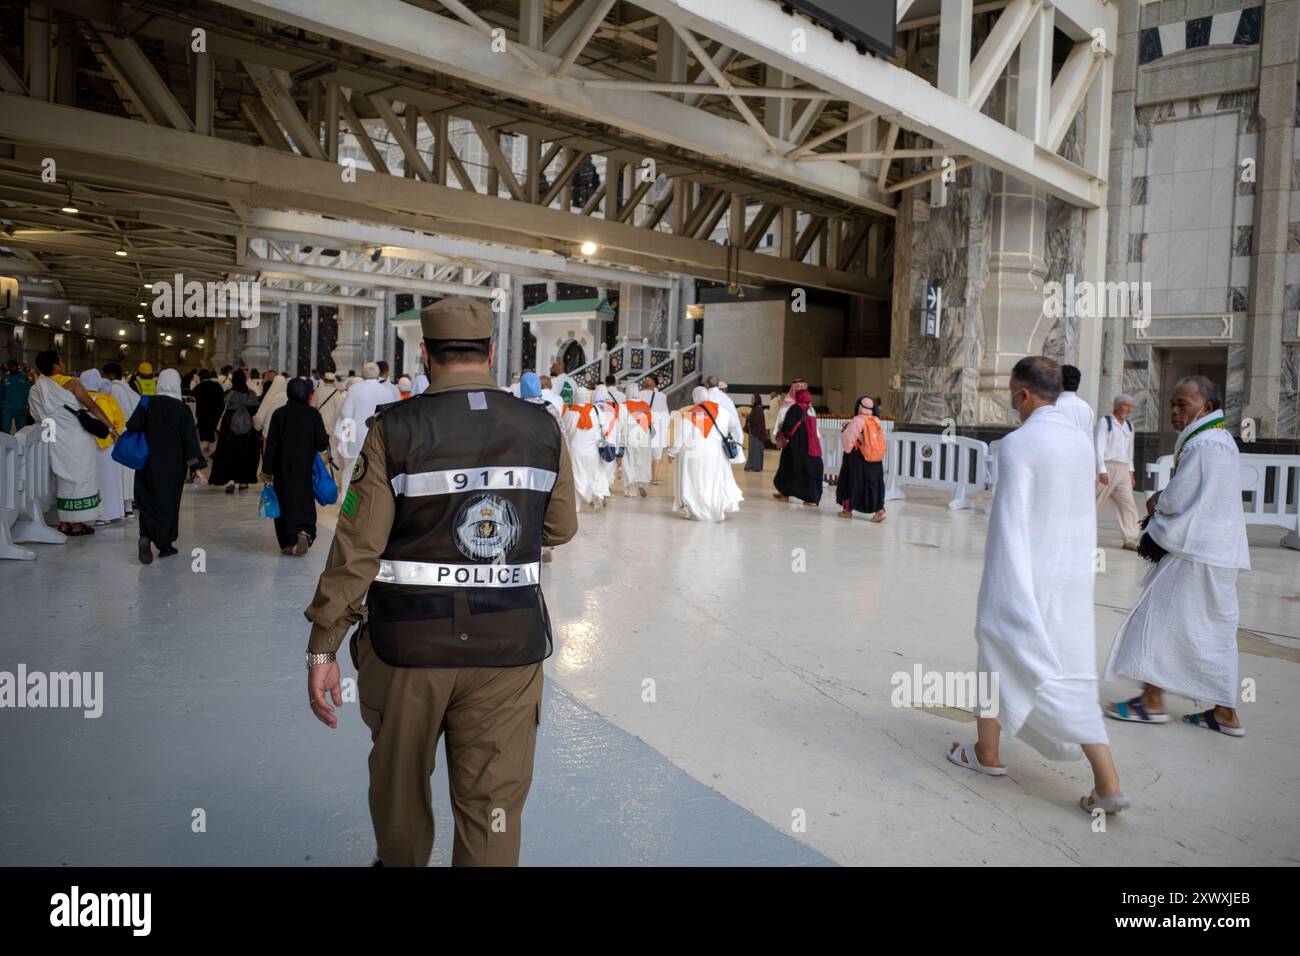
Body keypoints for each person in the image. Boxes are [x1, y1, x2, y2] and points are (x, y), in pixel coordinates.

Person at [304, 297, 577, 867]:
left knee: (401, 789)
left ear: (425, 354)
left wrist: (323, 645)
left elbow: (357, 550)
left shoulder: (393, 430)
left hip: (408, 649)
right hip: (508, 647)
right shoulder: (541, 427)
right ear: (492, 352)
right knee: (493, 802)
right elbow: (561, 527)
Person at [947, 356, 1128, 815]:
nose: (1012, 402)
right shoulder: (1078, 441)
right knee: (1069, 670)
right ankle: (1102, 780)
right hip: (1070, 578)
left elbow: (1008, 526)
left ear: (1023, 395)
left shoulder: (1018, 445)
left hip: (1027, 574)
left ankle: (990, 755)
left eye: (1012, 394)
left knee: (998, 652)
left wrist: (999, 594)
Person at [1104, 376, 1250, 737]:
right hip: (1218, 553)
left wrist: (1159, 501)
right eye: (1173, 403)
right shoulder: (1221, 442)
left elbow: (1179, 498)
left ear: (1207, 408)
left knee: (1158, 618)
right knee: (1213, 630)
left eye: (1183, 403)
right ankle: (1224, 712)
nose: (1174, 410)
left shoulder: (1203, 447)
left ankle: (1151, 702)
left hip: (1196, 553)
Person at [28, 351, 114, 535]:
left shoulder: (36, 388)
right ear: (56, 365)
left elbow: (35, 415)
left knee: (63, 479)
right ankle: (77, 524)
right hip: (77, 439)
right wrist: (111, 429)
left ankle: (64, 523)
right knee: (81, 479)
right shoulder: (72, 383)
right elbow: (92, 406)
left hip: (54, 439)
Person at [126, 369, 205, 564]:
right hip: (172, 466)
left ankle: (145, 535)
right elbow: (190, 441)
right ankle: (165, 545)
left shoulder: (147, 402)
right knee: (168, 504)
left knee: (147, 500)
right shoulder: (182, 409)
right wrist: (196, 467)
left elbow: (133, 425)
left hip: (146, 462)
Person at [261, 378, 330, 556]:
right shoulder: (313, 414)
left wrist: (267, 470)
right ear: (307, 394)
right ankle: (304, 532)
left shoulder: (279, 414)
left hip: (282, 467)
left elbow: (272, 445)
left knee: (284, 500)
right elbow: (322, 443)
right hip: (305, 467)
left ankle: (286, 542)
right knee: (304, 499)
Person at [668, 385, 744, 522]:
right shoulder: (721, 410)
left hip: (694, 455)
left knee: (697, 482)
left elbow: (681, 436)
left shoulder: (692, 413)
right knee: (714, 482)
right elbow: (733, 425)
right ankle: (716, 511)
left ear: (695, 398)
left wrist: (672, 452)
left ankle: (698, 511)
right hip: (717, 454)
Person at [336, 362, 396, 497]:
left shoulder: (355, 389)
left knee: (351, 469)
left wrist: (346, 439)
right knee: (377, 470)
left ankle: (346, 503)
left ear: (363, 373)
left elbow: (346, 414)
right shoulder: (387, 391)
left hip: (356, 436)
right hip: (380, 436)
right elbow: (392, 416)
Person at [78, 369, 128, 524]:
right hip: (108, 447)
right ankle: (110, 513)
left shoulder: (77, 399)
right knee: (110, 481)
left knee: (94, 481)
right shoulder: (108, 400)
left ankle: (96, 515)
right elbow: (120, 422)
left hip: (87, 447)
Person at [1095, 392, 1140, 551]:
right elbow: (1098, 446)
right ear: (1116, 405)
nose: (1129, 409)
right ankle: (1078, 533)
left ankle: (1131, 538)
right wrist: (1101, 470)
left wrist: (1131, 472)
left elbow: (1130, 450)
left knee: (1128, 504)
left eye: (1130, 406)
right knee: (1094, 502)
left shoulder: (1129, 425)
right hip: (1107, 466)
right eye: (1126, 405)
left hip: (1123, 469)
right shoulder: (1105, 422)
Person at [835, 395, 886, 522]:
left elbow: (849, 441)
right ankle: (879, 510)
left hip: (857, 457)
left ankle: (847, 510)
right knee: (873, 484)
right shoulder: (876, 420)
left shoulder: (858, 420)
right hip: (874, 459)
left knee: (851, 481)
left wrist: (845, 429)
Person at [209, 370, 261, 493]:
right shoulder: (252, 394)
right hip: (248, 433)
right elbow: (255, 412)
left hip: (230, 431)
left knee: (229, 456)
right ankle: (243, 481)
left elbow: (220, 409)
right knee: (245, 457)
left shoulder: (229, 394)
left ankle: (230, 481)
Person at [562, 386, 611, 511]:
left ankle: (577, 507)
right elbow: (605, 428)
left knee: (577, 477)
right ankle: (596, 495)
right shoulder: (596, 411)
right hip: (593, 451)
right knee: (593, 475)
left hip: (575, 451)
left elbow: (564, 432)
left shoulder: (569, 412)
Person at [772, 388, 823, 507]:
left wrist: (782, 431)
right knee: (808, 468)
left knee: (788, 465)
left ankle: (785, 492)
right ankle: (812, 498)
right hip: (811, 443)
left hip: (796, 443)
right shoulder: (811, 409)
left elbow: (788, 425)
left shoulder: (796, 408)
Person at [102, 363, 139, 515]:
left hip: (120, 433)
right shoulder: (128, 388)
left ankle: (124, 504)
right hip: (131, 433)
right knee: (129, 472)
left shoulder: (114, 389)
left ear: (109, 374)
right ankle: (129, 503)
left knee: (121, 473)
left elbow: (114, 413)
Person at [1055, 365, 1098, 470]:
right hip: (1081, 462)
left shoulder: (1054, 406)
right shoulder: (1087, 408)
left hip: (1059, 461)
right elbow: (1090, 439)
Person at [621, 383, 653, 498]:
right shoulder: (645, 405)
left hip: (630, 434)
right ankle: (642, 482)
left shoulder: (624, 405)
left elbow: (621, 422)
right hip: (644, 433)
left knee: (629, 460)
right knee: (643, 459)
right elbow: (650, 421)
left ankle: (630, 490)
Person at [312, 371, 347, 472]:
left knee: (319, 451)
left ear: (324, 379)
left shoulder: (318, 391)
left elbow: (313, 408)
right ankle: (331, 474)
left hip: (319, 425)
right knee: (332, 451)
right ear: (333, 381)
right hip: (333, 426)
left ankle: (320, 473)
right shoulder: (337, 394)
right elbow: (340, 411)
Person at [640, 374, 670, 484]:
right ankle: (654, 477)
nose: (646, 381)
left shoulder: (640, 395)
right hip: (655, 426)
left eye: (648, 379)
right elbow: (665, 413)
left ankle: (648, 477)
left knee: (646, 452)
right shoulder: (661, 396)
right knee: (655, 452)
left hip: (646, 425)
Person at [192, 369, 225, 458]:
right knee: (211, 437)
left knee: (202, 440)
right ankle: (210, 453)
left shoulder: (199, 387)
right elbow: (222, 404)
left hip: (202, 420)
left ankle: (199, 460)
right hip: (214, 419)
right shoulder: (218, 387)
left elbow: (192, 402)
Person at [2, 358, 31, 434]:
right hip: (7, 408)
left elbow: (28, 393)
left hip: (21, 408)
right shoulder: (5, 378)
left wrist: (27, 406)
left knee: (21, 429)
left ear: (16, 366)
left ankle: (20, 444)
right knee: (5, 427)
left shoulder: (24, 378)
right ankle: (7, 444)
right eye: (9, 366)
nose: (11, 367)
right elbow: (1, 393)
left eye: (13, 365)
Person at [743, 392, 766, 472]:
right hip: (755, 433)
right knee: (753, 450)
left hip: (756, 434)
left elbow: (755, 421)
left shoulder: (758, 409)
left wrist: (748, 417)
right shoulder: (757, 408)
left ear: (757, 399)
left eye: (753, 398)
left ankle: (755, 466)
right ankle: (754, 465)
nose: (751, 400)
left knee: (755, 450)